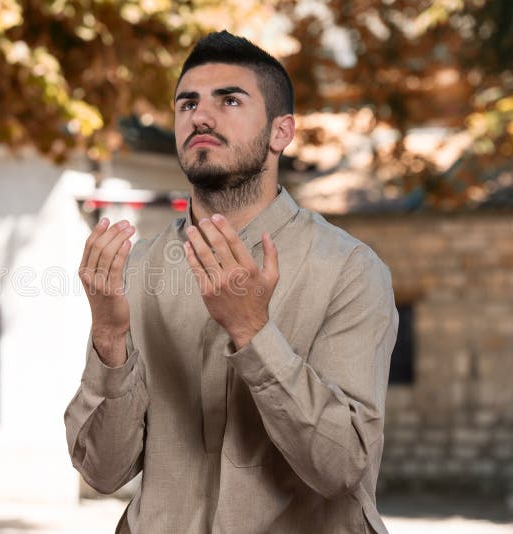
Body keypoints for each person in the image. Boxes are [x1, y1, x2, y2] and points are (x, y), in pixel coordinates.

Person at [64, 30, 398, 534]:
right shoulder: (137, 270)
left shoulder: (350, 269)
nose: (200, 116)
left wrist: (254, 333)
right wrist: (109, 342)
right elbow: (102, 472)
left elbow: (343, 466)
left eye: (230, 100)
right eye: (187, 103)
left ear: (280, 132)